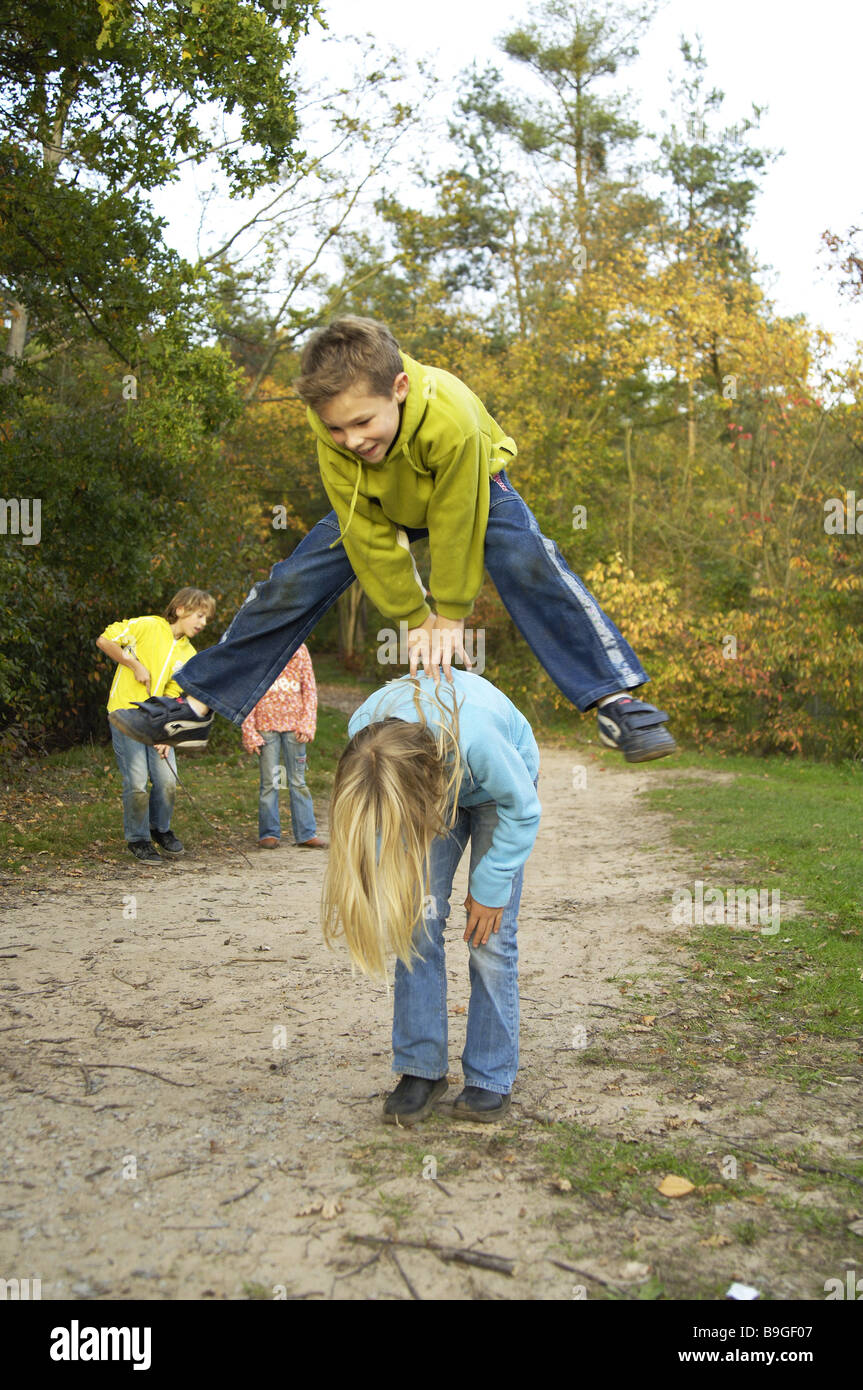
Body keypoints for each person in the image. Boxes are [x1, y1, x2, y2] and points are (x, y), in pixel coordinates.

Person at [108, 317, 674, 762]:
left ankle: (616, 700)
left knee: (527, 559)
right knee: (291, 582)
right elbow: (363, 529)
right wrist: (412, 614)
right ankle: (195, 707)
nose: (349, 438)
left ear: (398, 388)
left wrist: (447, 615)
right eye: (335, 427)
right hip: (377, 503)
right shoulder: (331, 427)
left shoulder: (449, 419)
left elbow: (456, 520)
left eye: (362, 423)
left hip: (473, 487)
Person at [322, 670, 541, 1125]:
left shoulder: (479, 734)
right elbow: (381, 812)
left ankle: (490, 1073)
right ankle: (422, 1069)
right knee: (416, 924)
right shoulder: (366, 730)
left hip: (497, 795)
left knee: (490, 938)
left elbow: (522, 809)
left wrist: (491, 886)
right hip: (423, 786)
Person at [96, 588, 215, 864]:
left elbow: (178, 696)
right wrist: (133, 663)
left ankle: (159, 829)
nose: (203, 623)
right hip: (126, 714)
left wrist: (167, 733)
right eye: (199, 615)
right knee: (137, 782)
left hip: (157, 722)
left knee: (166, 781)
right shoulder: (149, 625)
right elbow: (106, 640)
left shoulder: (189, 653)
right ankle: (138, 839)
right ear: (181, 609)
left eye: (206, 618)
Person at [240, 644, 327, 850]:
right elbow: (247, 692)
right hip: (265, 727)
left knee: (297, 780)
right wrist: (249, 731)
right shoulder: (258, 649)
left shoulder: (300, 649)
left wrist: (307, 723)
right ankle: (269, 832)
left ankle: (306, 832)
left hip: (295, 727)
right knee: (270, 781)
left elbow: (309, 689)